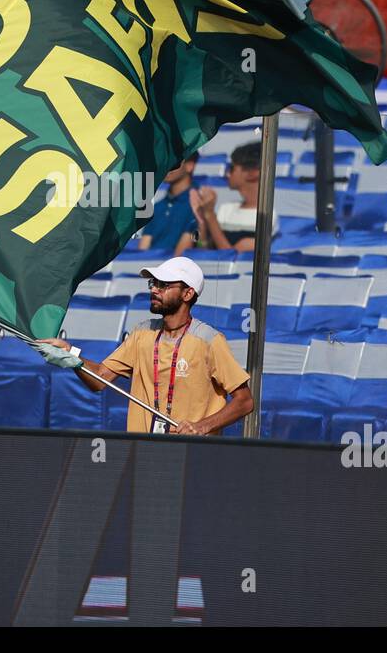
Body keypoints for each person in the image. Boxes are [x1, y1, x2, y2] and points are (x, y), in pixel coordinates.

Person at [33, 256, 254, 435]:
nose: (154, 290)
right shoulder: (142, 333)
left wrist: (203, 426)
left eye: (164, 285)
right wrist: (71, 355)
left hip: (192, 454)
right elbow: (100, 379)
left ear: (188, 293)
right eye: (154, 283)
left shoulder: (209, 340)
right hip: (143, 450)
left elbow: (244, 402)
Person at [175, 141, 277, 254]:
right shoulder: (226, 208)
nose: (226, 174)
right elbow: (203, 249)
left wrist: (210, 215)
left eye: (231, 168)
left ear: (252, 173)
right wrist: (201, 218)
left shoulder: (266, 217)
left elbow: (230, 258)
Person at [136, 152, 199, 252]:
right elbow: (143, 250)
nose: (166, 166)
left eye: (174, 162)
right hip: (152, 266)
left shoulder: (198, 205)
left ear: (189, 166)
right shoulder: (157, 207)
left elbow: (182, 253)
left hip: (176, 266)